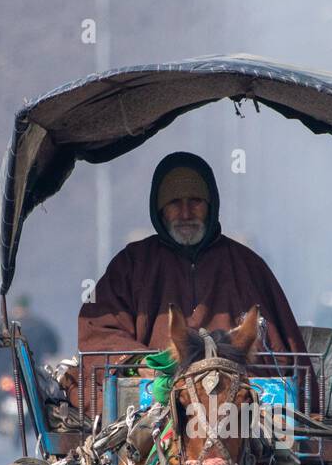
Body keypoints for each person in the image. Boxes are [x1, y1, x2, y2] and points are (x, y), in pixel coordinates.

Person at [75, 151, 312, 410]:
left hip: (237, 410)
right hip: (152, 406)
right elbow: (98, 330)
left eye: (195, 201)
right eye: (175, 202)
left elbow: (284, 349)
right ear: (160, 209)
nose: (186, 213)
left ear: (211, 205)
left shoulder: (247, 265)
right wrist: (139, 364)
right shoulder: (132, 264)